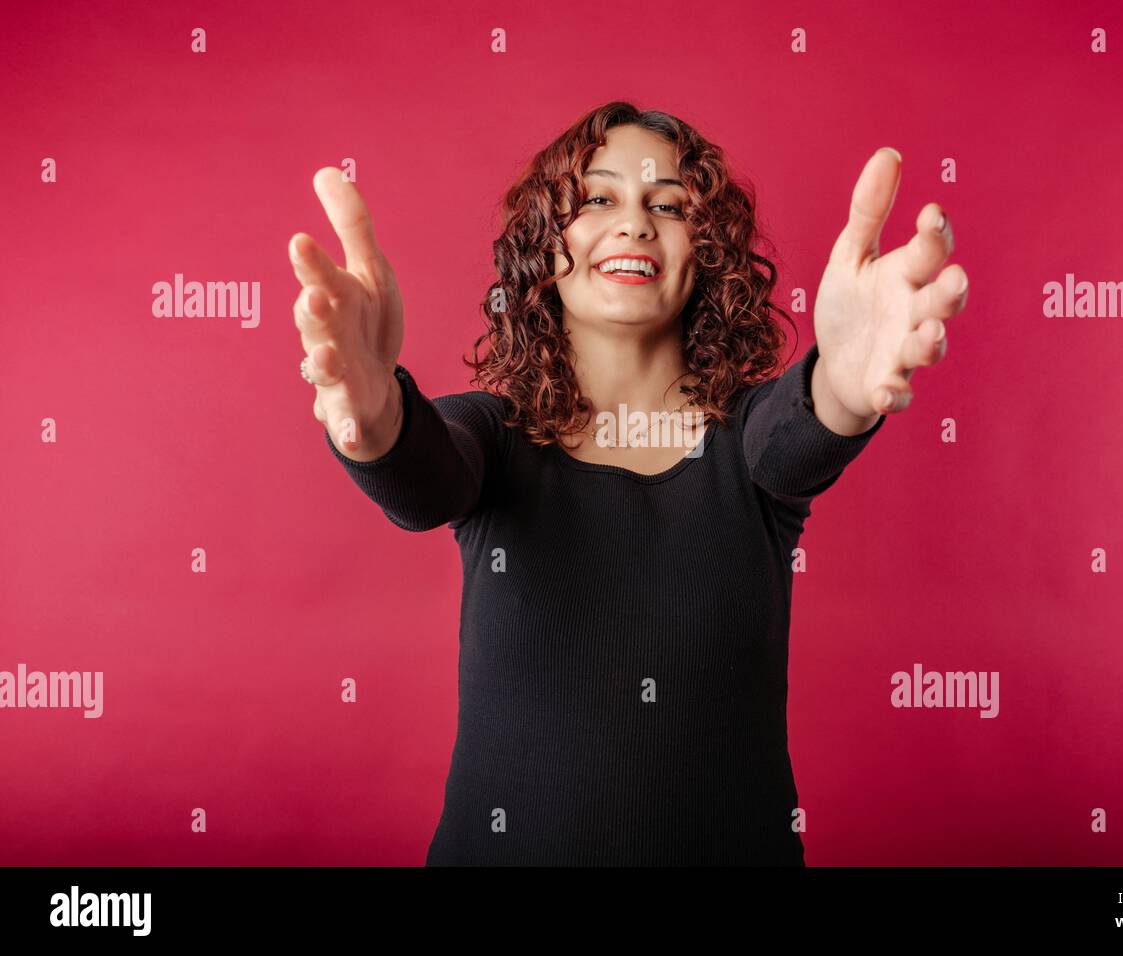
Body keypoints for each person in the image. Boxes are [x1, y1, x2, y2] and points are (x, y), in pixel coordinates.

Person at [287, 102, 967, 865]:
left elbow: (804, 427)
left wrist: (842, 379)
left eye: (669, 205)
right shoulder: (493, 437)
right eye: (600, 198)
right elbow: (423, 478)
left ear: (704, 250)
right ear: (547, 248)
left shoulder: (748, 446)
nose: (636, 224)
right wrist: (374, 408)